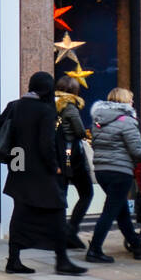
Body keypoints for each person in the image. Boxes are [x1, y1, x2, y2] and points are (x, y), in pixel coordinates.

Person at [1, 72, 87, 275]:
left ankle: (14, 260)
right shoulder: (46, 110)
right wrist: (55, 166)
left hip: (19, 169)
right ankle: (62, 261)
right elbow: (46, 143)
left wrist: (16, 157)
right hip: (41, 173)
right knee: (57, 210)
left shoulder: (15, 106)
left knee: (20, 214)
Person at [87, 87, 141, 263]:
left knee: (121, 210)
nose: (133, 103)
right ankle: (94, 250)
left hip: (102, 171)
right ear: (125, 101)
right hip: (120, 172)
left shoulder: (98, 120)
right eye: (131, 100)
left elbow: (95, 145)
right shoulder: (127, 121)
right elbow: (137, 150)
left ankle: (136, 245)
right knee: (110, 211)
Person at [55, 74, 93, 249]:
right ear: (73, 91)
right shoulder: (70, 106)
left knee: (61, 195)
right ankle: (70, 230)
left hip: (56, 155)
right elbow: (79, 131)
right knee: (86, 193)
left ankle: (61, 232)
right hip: (72, 156)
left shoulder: (50, 104)